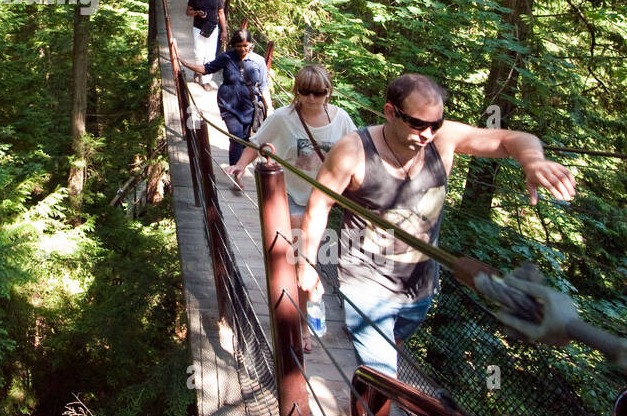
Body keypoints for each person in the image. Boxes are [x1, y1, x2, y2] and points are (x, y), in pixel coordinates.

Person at [296, 73, 576, 378]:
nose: (427, 134)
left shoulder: (444, 141)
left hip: (421, 288)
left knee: (387, 357)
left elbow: (511, 139)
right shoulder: (352, 151)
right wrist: (307, 262)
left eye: (435, 124)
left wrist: (533, 161)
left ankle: (369, 389)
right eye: (417, 124)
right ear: (391, 112)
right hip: (365, 284)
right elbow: (319, 205)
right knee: (383, 377)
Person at [227, 64, 355, 350]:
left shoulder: (342, 120)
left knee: (301, 262)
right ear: (297, 91)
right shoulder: (284, 118)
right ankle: (303, 324)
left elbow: (358, 152)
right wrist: (239, 165)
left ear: (328, 92)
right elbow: (258, 142)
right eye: (306, 92)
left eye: (319, 92)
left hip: (324, 200)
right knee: (301, 260)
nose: (312, 98)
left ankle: (307, 305)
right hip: (292, 198)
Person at [177, 30, 272, 165]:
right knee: (236, 137)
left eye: (245, 45)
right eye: (238, 46)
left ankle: (239, 166)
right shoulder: (227, 57)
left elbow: (263, 86)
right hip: (228, 104)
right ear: (233, 45)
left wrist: (270, 108)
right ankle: (235, 172)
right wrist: (185, 64)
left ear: (251, 44)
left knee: (245, 139)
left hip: (249, 106)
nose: (242, 49)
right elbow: (207, 68)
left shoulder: (259, 61)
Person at [185, 0, 226, 88]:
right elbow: (188, 12)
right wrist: (197, 13)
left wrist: (224, 30)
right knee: (198, 53)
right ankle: (198, 70)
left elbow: (221, 13)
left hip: (213, 28)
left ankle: (206, 80)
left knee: (210, 54)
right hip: (198, 28)